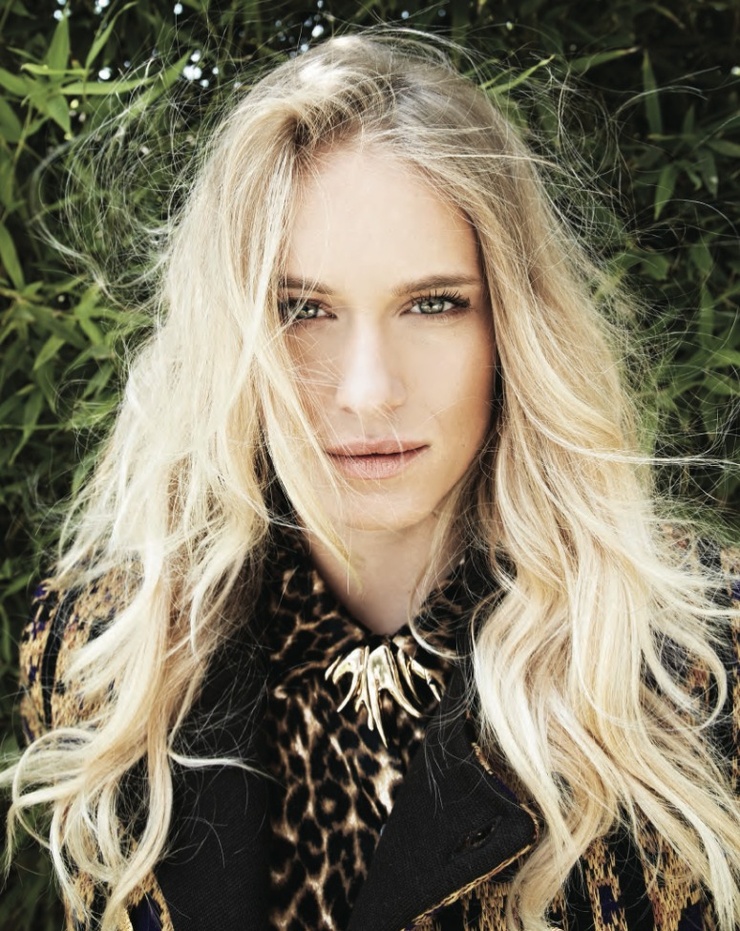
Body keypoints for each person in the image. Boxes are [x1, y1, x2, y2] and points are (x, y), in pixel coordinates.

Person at [4, 31, 739, 931]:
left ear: (512, 326)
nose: (367, 390)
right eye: (302, 309)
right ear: (230, 337)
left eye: (432, 304)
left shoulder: (701, 659)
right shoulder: (106, 651)